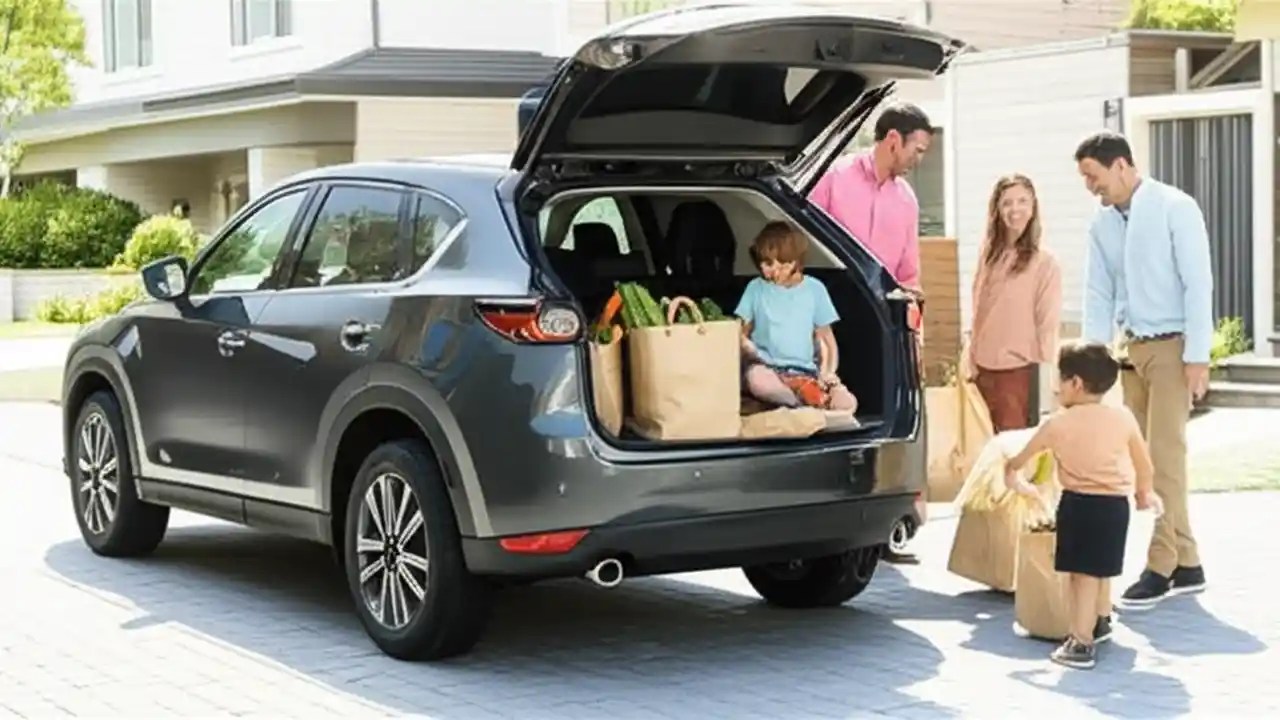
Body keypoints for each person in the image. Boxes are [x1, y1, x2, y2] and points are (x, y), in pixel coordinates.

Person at [1075, 130, 1213, 608]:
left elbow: (1198, 283)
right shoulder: (1103, 223)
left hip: (1174, 348)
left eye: (1094, 176)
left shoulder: (1176, 207)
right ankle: (1189, 563)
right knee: (1144, 461)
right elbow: (1097, 292)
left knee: (1163, 461)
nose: (1091, 187)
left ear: (1121, 166)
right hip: (1130, 352)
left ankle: (1161, 565)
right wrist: (1089, 361)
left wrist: (1199, 355)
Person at [1004, 341, 1163, 670]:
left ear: (1075, 383)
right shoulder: (1122, 418)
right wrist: (1143, 493)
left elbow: (1021, 459)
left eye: (1060, 380)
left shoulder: (1058, 424)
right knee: (1101, 569)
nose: (1056, 388)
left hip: (1080, 505)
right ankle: (1100, 621)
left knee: (1081, 577)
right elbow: (1144, 464)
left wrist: (1014, 475)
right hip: (1116, 506)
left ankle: (1080, 641)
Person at [967, 174, 1063, 431]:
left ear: (1033, 208)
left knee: (1013, 454)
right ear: (997, 210)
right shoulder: (988, 256)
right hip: (982, 371)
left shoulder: (1045, 263)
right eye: (1007, 203)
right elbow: (979, 309)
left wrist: (1048, 384)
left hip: (1018, 374)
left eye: (1022, 201)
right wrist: (971, 356)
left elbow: (1048, 324)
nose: (1015, 209)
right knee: (984, 453)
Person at [808, 102, 934, 288]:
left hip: (879, 311)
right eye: (918, 150)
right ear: (893, 139)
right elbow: (805, 245)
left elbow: (908, 277)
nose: (919, 160)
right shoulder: (833, 177)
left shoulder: (907, 201)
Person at [735, 221, 857, 413]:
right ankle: (798, 405)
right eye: (762, 264)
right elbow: (741, 332)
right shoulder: (755, 288)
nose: (765, 270)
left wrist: (828, 374)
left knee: (847, 403)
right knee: (758, 380)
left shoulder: (815, 289)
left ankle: (807, 399)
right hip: (767, 369)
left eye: (770, 263)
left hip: (806, 373)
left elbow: (826, 339)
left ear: (791, 262)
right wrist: (749, 348)